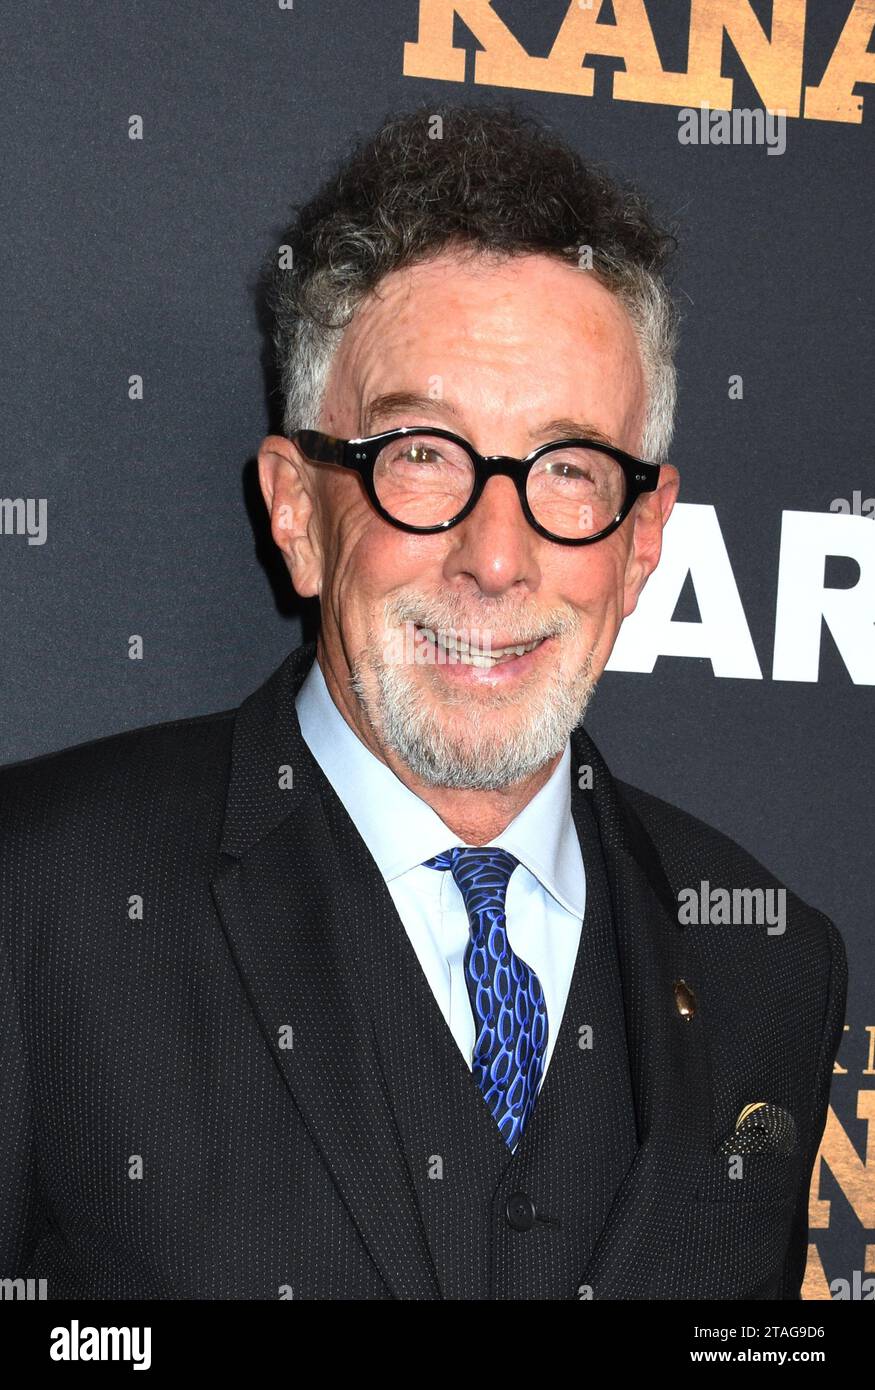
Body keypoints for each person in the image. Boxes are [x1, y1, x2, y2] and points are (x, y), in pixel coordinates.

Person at [0, 104, 846, 1300]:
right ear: (297, 510)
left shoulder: (767, 963)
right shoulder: (38, 904)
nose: (494, 557)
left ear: (644, 537)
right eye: (422, 455)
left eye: (566, 470)